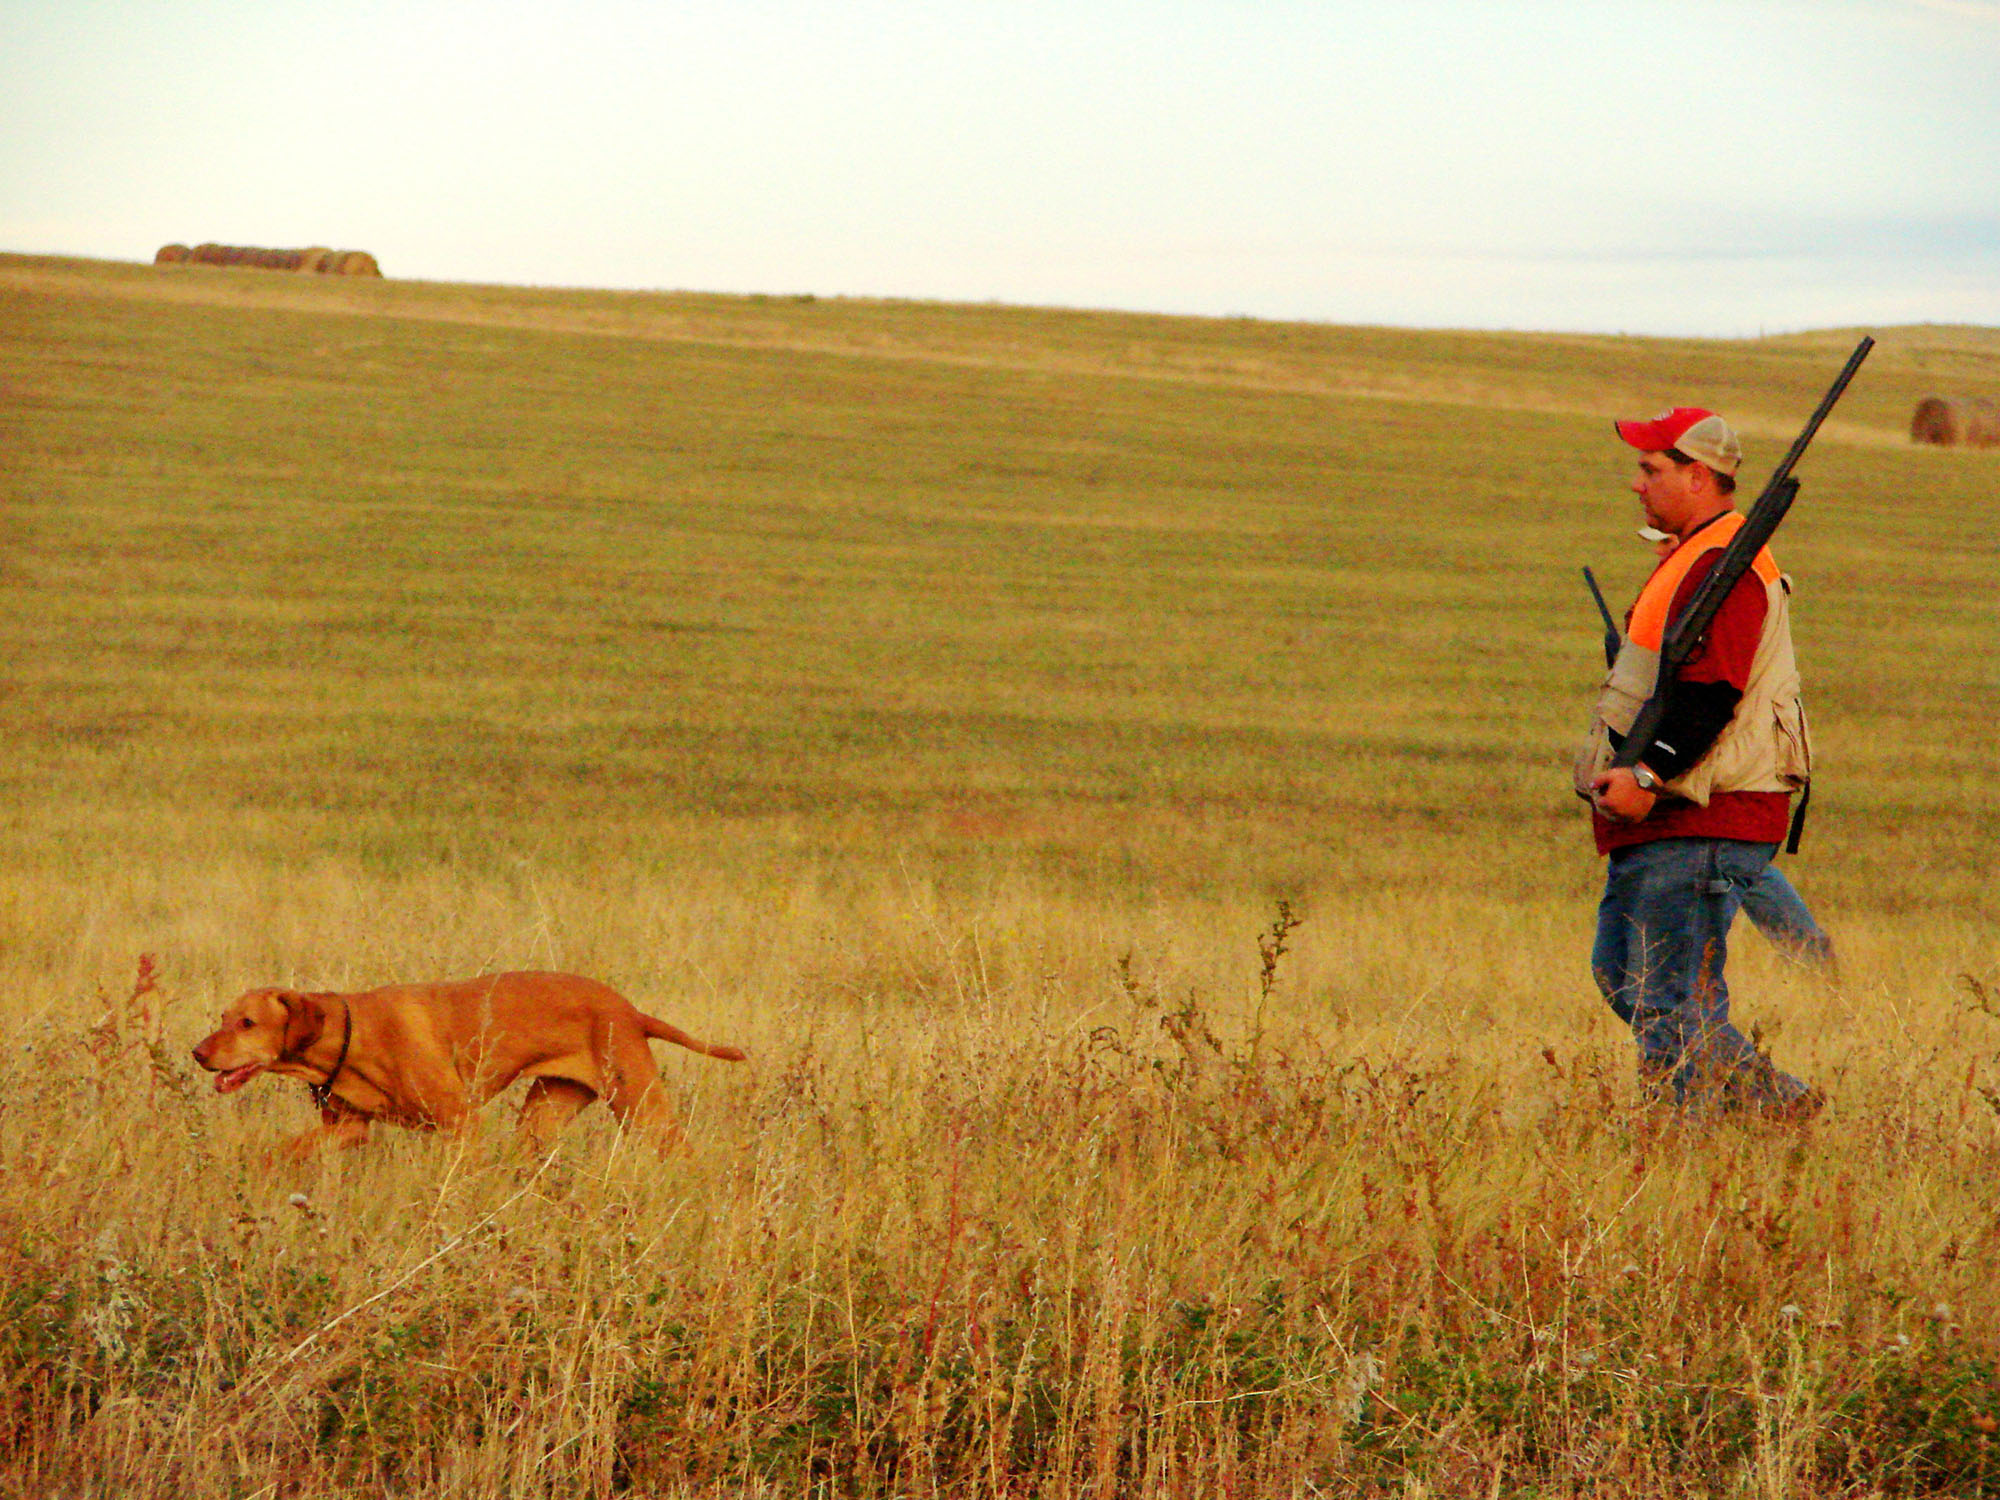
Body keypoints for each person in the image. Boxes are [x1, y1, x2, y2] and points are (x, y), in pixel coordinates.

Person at [1575, 407, 1823, 1118]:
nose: (1636, 484)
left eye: (1650, 470)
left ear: (1697, 475)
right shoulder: (1694, 558)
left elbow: (1714, 691)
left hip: (1700, 815)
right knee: (1626, 978)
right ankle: (1772, 1109)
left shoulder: (1728, 566)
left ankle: (1689, 1148)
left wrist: (1649, 776)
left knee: (1664, 996)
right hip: (1673, 818)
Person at [1637, 526, 1838, 980]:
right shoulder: (1717, 568)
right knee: (1738, 862)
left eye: (1668, 543)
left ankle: (1810, 956)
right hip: (1727, 764)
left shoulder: (1729, 576)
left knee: (1729, 857)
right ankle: (1812, 956)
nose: (1662, 551)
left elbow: (1716, 689)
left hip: (1730, 765)